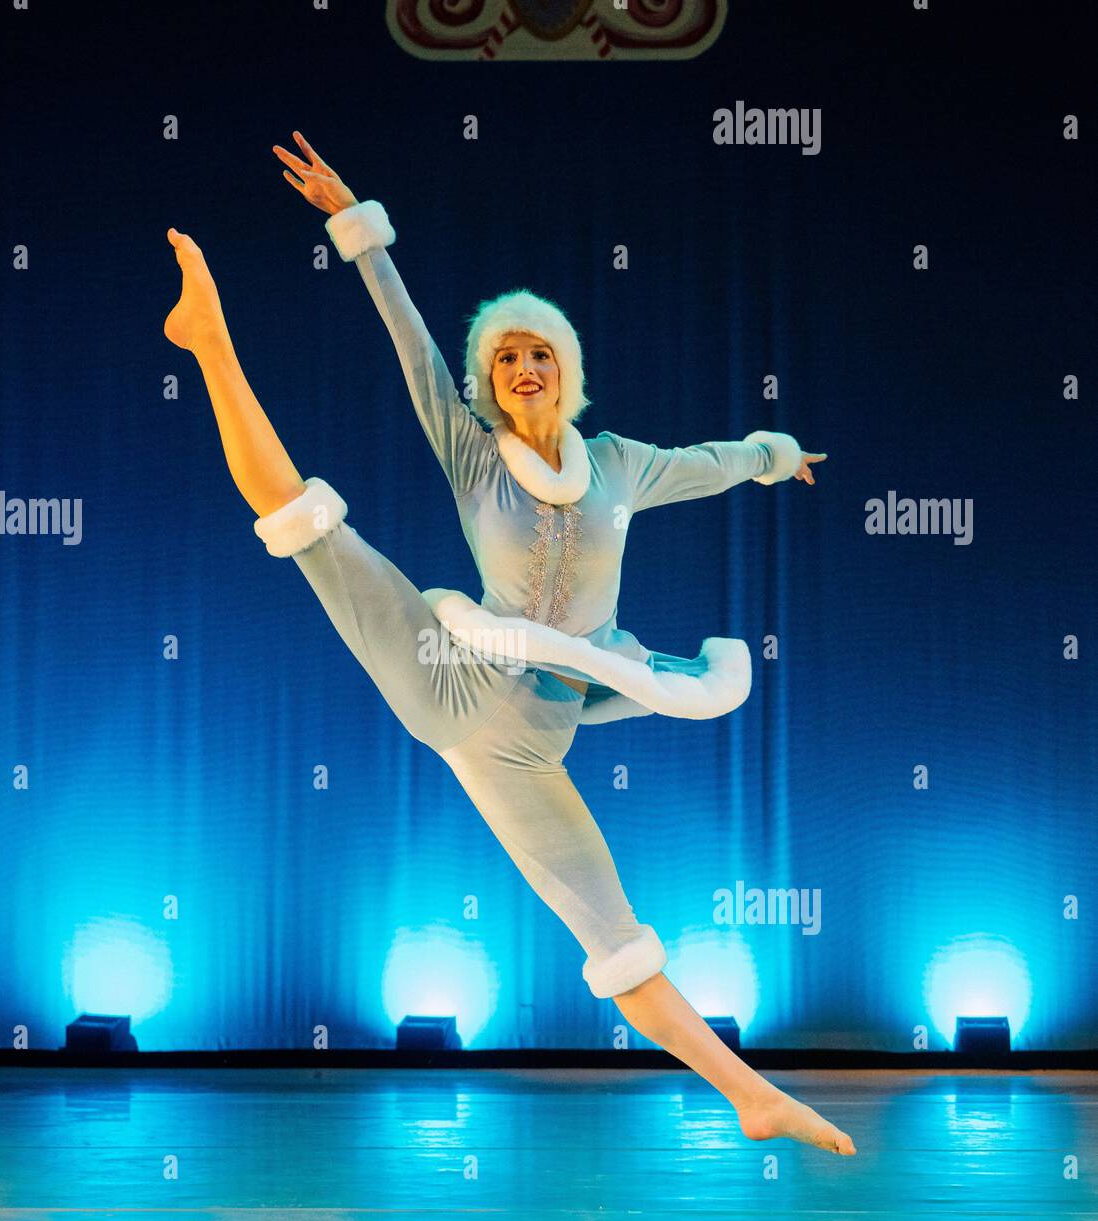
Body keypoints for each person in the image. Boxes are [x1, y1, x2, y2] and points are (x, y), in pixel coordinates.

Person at [160, 133, 855, 1155]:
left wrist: (776, 454)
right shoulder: (471, 451)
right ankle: (211, 342)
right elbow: (411, 344)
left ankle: (749, 1094)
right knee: (304, 520)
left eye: (539, 354)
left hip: (524, 745)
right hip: (444, 668)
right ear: (490, 381)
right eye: (505, 357)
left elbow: (714, 461)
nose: (522, 366)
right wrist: (355, 229)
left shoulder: (617, 464)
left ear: (565, 373)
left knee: (618, 942)